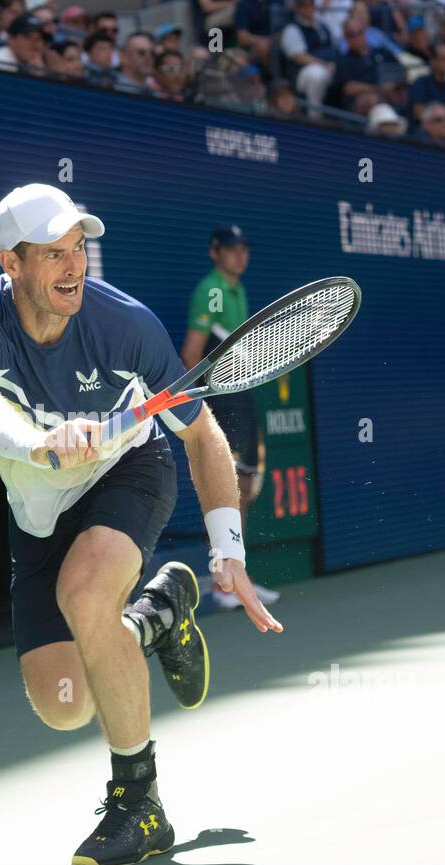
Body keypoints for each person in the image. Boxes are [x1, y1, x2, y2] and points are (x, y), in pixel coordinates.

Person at [0, 185, 283, 865]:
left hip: (130, 471)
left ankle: (138, 804)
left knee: (87, 593)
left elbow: (201, 435)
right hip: (38, 504)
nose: (74, 267)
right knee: (64, 703)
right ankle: (156, 615)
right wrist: (34, 443)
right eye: (54, 254)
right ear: (11, 263)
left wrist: (228, 549)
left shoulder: (127, 325)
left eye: (79, 248)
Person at [181, 225, 284, 612]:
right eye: (231, 249)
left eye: (244, 248)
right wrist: (203, 410)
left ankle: (237, 578)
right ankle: (225, 583)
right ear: (215, 252)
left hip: (241, 395)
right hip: (223, 401)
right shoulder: (211, 291)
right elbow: (191, 355)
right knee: (229, 485)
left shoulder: (238, 291)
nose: (240, 255)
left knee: (242, 485)